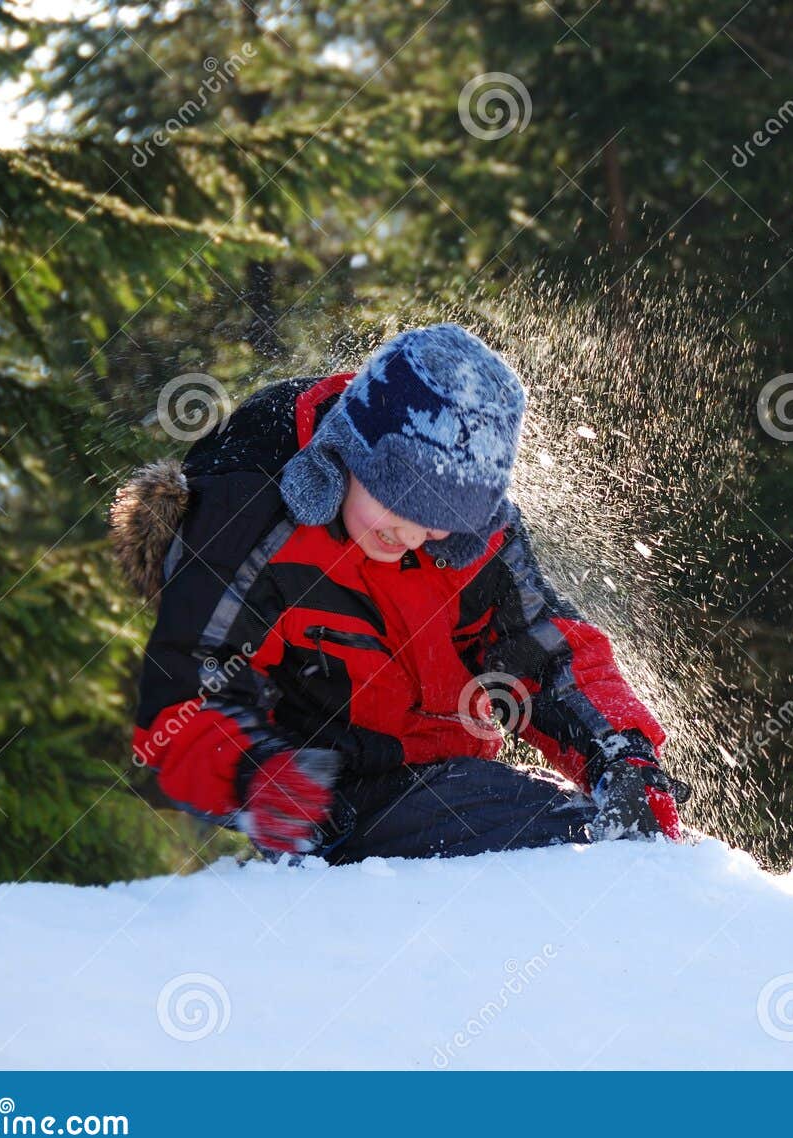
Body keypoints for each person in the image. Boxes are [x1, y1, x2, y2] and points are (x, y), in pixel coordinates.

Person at [110, 323, 685, 862]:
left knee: (602, 832)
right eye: (399, 506)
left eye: (438, 522)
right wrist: (256, 777)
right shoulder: (253, 514)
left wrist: (623, 755)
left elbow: (545, 652)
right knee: (574, 847)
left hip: (453, 776)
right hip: (331, 801)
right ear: (347, 457)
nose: (412, 533)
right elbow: (187, 692)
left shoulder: (475, 541)